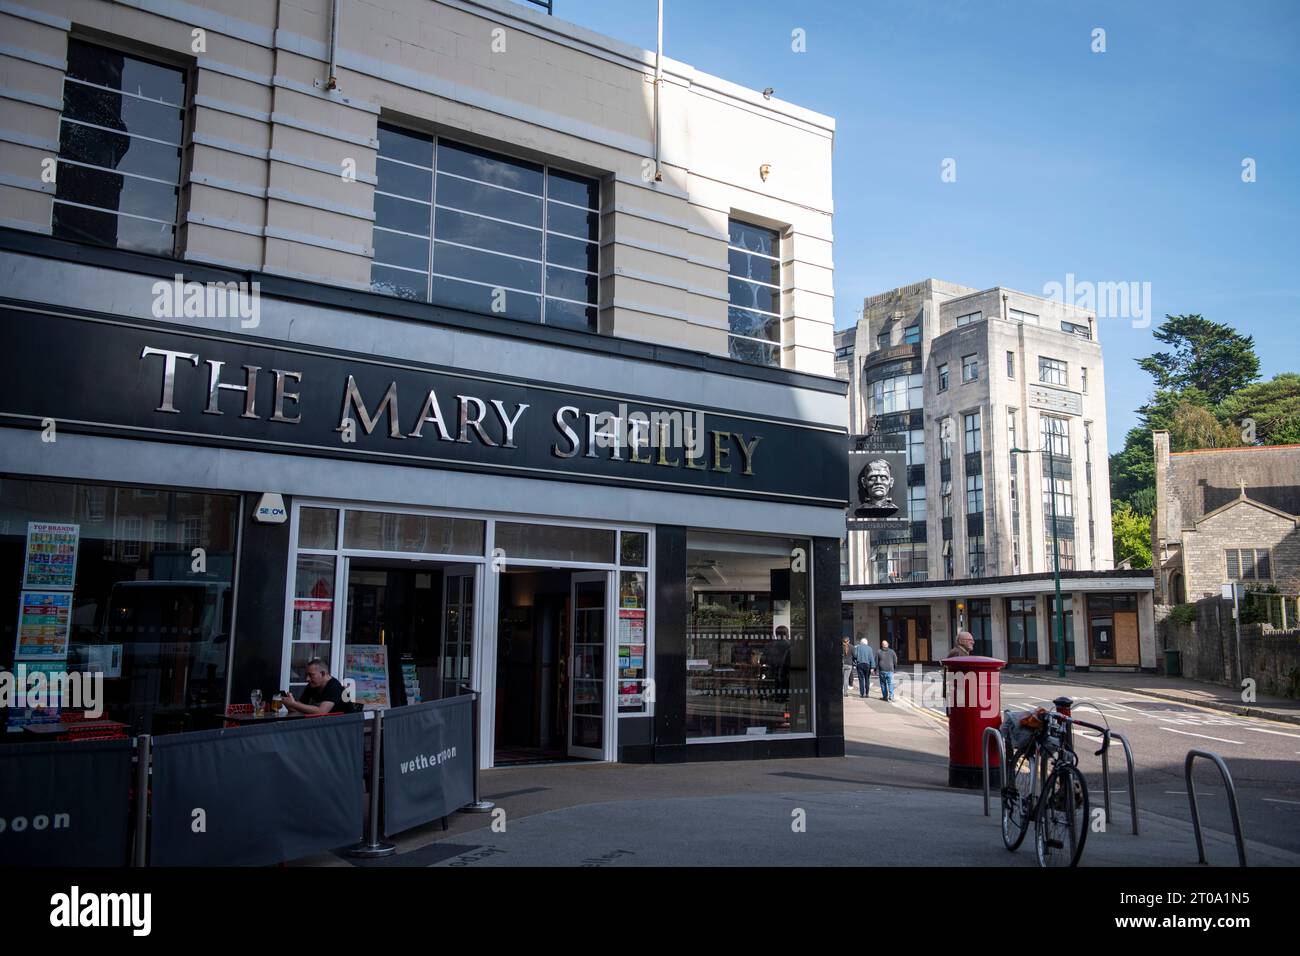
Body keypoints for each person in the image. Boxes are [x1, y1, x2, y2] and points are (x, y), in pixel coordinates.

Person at [283, 658, 349, 715]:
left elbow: (321, 712)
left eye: (311, 675)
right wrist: (289, 704)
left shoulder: (334, 686)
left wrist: (294, 704)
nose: (307, 679)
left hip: (345, 726)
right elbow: (297, 710)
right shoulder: (312, 685)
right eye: (306, 675)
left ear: (323, 673)